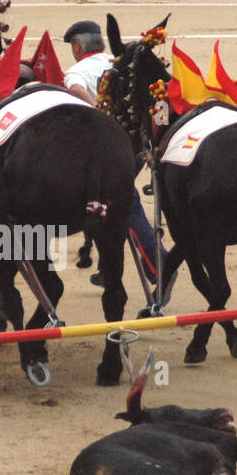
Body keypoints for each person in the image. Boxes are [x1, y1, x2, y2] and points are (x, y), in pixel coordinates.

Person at [63, 20, 163, 289]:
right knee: (107, 202)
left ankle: (159, 264)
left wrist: (96, 107)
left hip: (110, 148)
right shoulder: (121, 60)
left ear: (77, 46)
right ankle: (108, 269)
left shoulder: (76, 70)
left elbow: (74, 89)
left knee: (121, 201)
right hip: (140, 144)